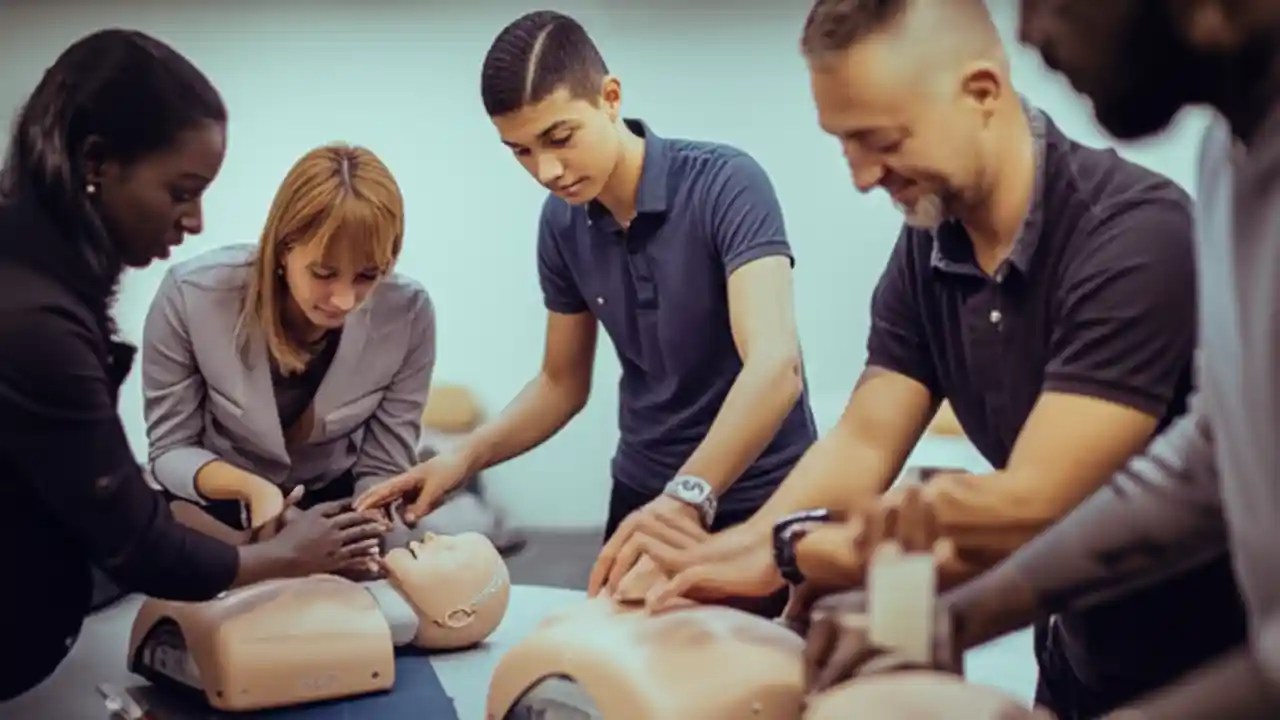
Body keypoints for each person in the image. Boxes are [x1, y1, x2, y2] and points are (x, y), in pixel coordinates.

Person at [630, 0, 1248, 717]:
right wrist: (739, 546)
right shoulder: (930, 244)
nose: (862, 176)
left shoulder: (1135, 237)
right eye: (843, 144)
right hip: (1074, 640)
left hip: (1208, 661)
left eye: (879, 139)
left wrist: (787, 549)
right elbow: (866, 438)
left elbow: (1040, 502)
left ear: (981, 93)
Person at [806, 2, 1280, 719]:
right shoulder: (1231, 156)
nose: (1028, 34)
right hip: (1086, 656)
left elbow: (1042, 497)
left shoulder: (1140, 230)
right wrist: (962, 616)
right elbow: (1207, 462)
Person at [356, 9, 818, 616]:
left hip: (761, 492)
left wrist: (690, 494)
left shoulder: (727, 184)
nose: (545, 170)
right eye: (520, 150)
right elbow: (561, 383)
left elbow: (775, 365)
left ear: (610, 98)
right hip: (645, 492)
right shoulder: (561, 223)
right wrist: (461, 457)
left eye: (559, 137)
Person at [0, 29, 387, 701]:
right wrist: (279, 557)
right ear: (98, 163)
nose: (196, 219)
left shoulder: (37, 283)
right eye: (181, 191)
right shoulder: (37, 322)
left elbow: (99, 487)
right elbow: (133, 533)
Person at [141, 142, 436, 564]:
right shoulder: (192, 296)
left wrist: (364, 537)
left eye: (368, 275)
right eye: (323, 273)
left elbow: (384, 469)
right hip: (216, 498)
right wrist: (255, 491)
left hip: (335, 504)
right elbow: (170, 450)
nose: (344, 299)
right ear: (282, 248)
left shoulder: (409, 313)